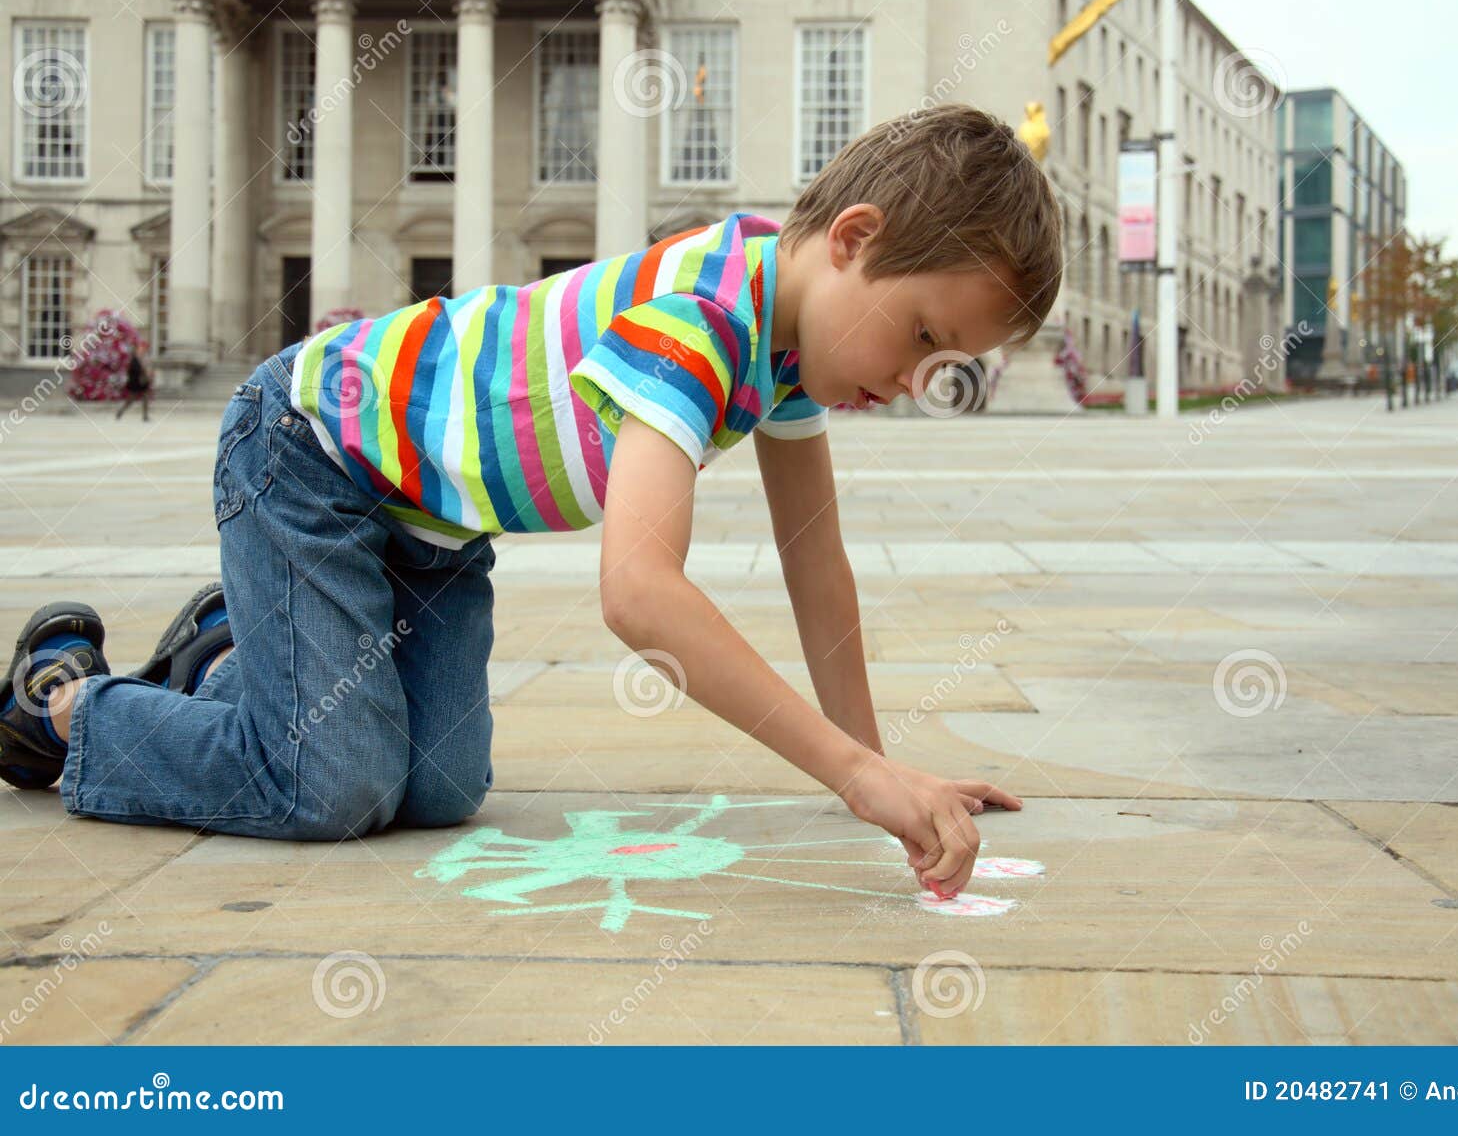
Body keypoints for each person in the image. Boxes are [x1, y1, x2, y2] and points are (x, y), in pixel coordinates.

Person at [0, 103, 1057, 900]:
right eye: (923, 335)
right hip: (309, 451)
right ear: (854, 238)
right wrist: (855, 773)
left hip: (432, 532)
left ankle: (232, 658)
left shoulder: (787, 333)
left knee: (437, 789)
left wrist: (870, 767)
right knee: (330, 787)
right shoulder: (700, 319)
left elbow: (815, 561)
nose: (920, 376)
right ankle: (65, 708)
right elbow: (640, 593)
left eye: (948, 357)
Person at [114, 349, 152, 421]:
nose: (142, 353)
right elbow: (135, 371)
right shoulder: (134, 361)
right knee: (131, 399)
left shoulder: (142, 360)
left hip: (142, 383)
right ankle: (120, 412)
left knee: (145, 398)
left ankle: (145, 416)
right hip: (135, 383)